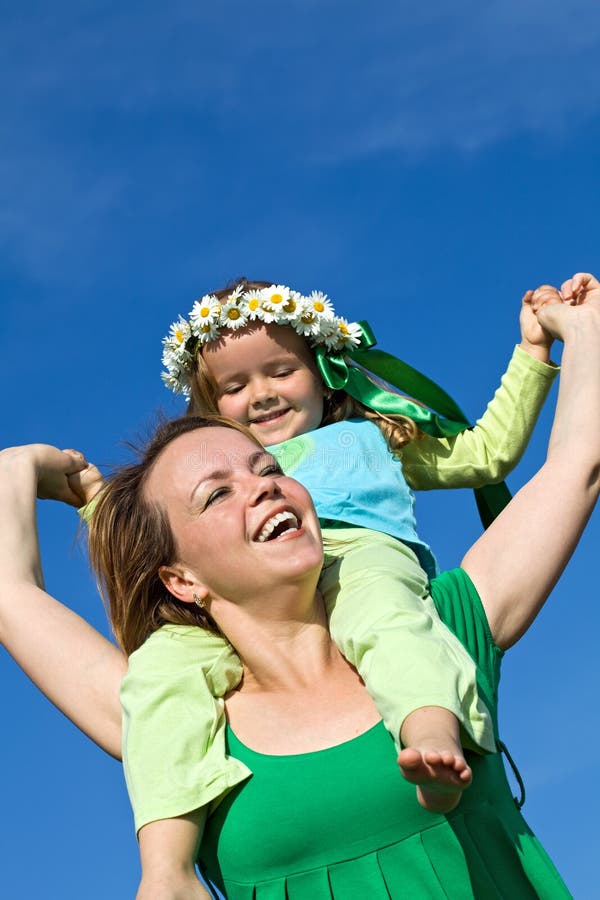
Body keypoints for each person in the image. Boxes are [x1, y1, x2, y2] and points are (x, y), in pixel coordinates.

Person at [0, 273, 596, 898]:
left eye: (267, 469)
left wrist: (577, 334)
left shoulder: (441, 629)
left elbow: (578, 460)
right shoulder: (175, 716)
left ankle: (427, 726)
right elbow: (13, 596)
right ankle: (165, 877)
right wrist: (20, 471)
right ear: (179, 579)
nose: (263, 483)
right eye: (218, 493)